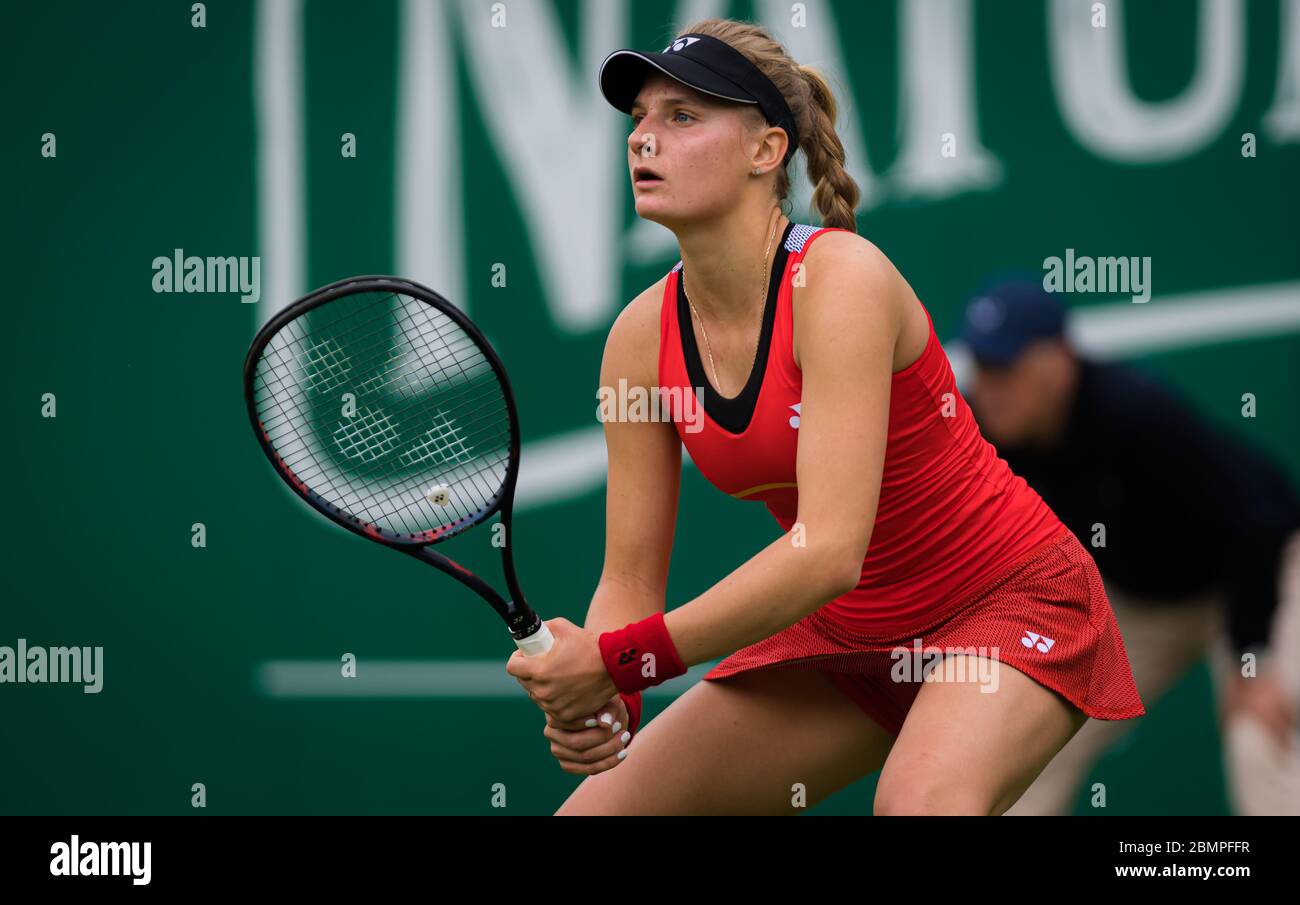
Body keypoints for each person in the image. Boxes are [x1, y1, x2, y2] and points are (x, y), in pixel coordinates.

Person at [506, 18, 1144, 816]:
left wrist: (621, 659)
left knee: (918, 805)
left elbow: (827, 552)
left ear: (765, 150)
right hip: (850, 637)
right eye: (638, 118)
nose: (643, 140)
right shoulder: (638, 340)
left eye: (682, 117)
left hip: (1005, 600)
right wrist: (609, 705)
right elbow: (631, 575)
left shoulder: (841, 281)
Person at [956, 277, 1300, 815]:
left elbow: (1253, 520)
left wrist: (1250, 657)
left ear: (1060, 359)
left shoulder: (1133, 412)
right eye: (983, 366)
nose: (992, 385)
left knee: (1262, 734)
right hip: (1142, 600)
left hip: (1264, 575)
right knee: (1028, 751)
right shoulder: (980, 428)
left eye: (1009, 366)